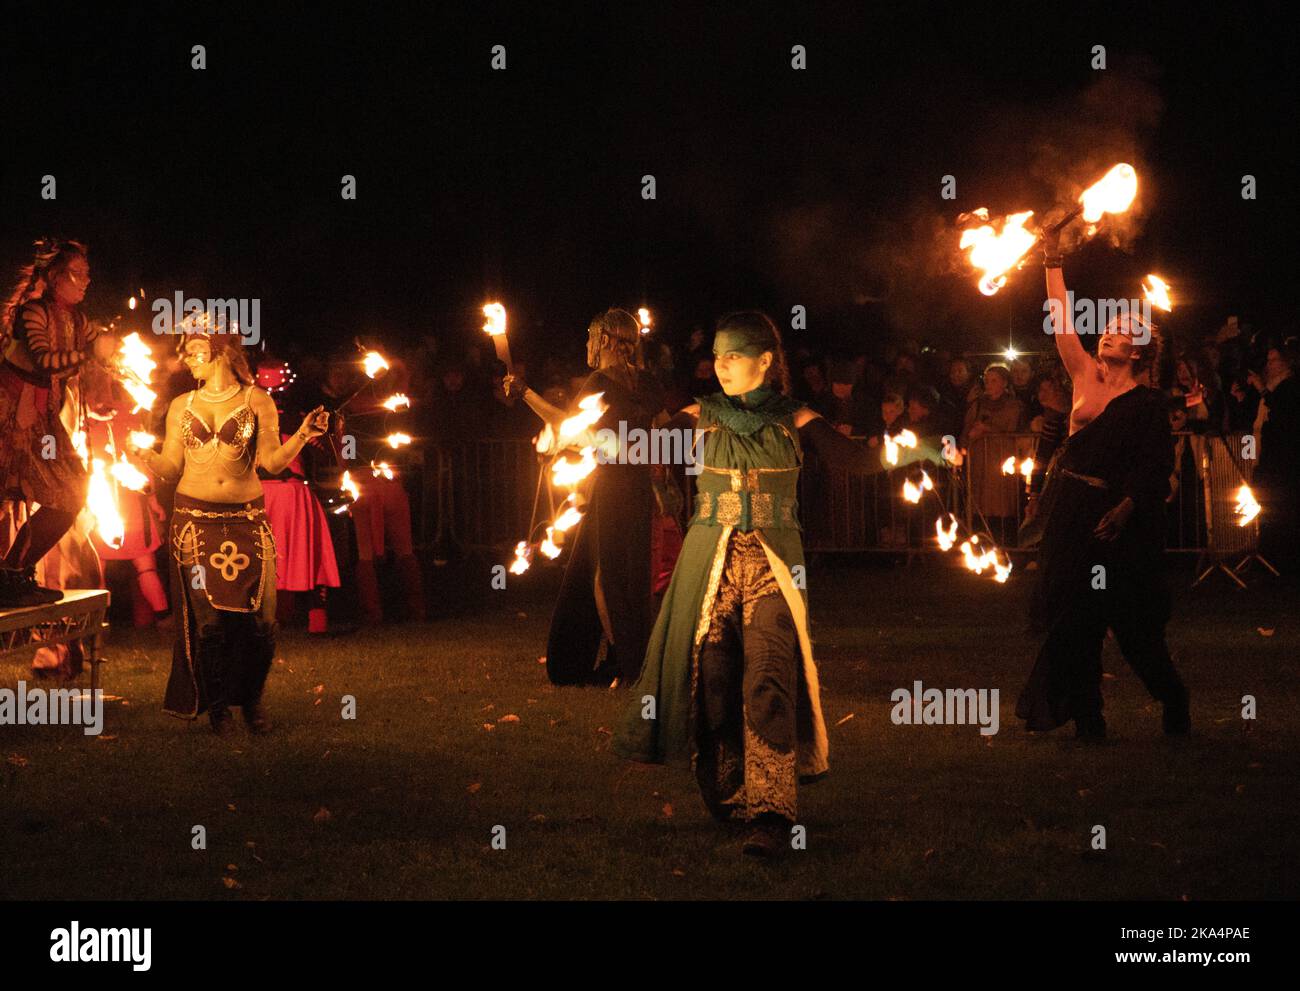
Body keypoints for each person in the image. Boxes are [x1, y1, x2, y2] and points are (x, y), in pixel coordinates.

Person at [613, 311, 876, 857]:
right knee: (713, 677)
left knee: (769, 676)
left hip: (773, 565)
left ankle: (773, 813)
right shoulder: (697, 415)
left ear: (764, 361)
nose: (722, 365)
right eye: (717, 355)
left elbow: (855, 460)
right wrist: (571, 435)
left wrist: (920, 451)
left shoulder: (794, 417)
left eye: (734, 355)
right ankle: (730, 793)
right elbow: (632, 446)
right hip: (709, 565)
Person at [1015, 229, 1189, 740]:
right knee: (1073, 621)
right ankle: (1089, 722)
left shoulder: (1149, 405)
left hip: (1117, 521)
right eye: (1109, 327)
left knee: (1133, 631)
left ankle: (1173, 699)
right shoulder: (1084, 376)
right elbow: (1062, 316)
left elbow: (1154, 466)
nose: (1109, 332)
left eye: (1123, 330)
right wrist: (1052, 259)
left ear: (1138, 353)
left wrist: (1128, 507)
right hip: (1072, 512)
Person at [129, 332, 330, 736]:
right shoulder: (181, 405)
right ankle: (218, 709)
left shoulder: (257, 400)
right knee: (208, 626)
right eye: (185, 354)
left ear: (219, 352)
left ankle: (252, 701)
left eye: (194, 352)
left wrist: (305, 435)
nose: (187, 360)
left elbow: (271, 462)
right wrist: (142, 455)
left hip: (247, 521)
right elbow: (170, 467)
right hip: (195, 523)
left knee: (264, 621)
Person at [505, 308, 661, 686]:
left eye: (591, 337)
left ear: (606, 339)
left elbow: (566, 425)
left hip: (612, 487)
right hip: (638, 486)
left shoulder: (600, 380)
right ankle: (624, 658)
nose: (588, 344)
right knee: (631, 578)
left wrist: (524, 392)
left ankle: (627, 663)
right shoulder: (645, 381)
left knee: (606, 578)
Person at [0, 238, 117, 606]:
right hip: (11, 419)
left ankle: (13, 575)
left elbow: (102, 352)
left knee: (72, 492)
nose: (85, 281)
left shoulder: (78, 320)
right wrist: (88, 353)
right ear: (54, 276)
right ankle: (12, 577)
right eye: (76, 274)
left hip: (44, 421)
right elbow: (44, 360)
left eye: (87, 274)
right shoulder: (33, 312)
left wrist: (114, 357)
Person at [1253, 341, 1299, 571]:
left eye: (1274, 360)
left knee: (1280, 508)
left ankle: (1281, 559)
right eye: (1268, 361)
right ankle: (1268, 556)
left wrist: (1262, 389)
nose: (1270, 365)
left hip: (1281, 462)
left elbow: (1283, 417)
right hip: (1266, 457)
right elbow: (1255, 426)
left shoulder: (1288, 387)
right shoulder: (1271, 389)